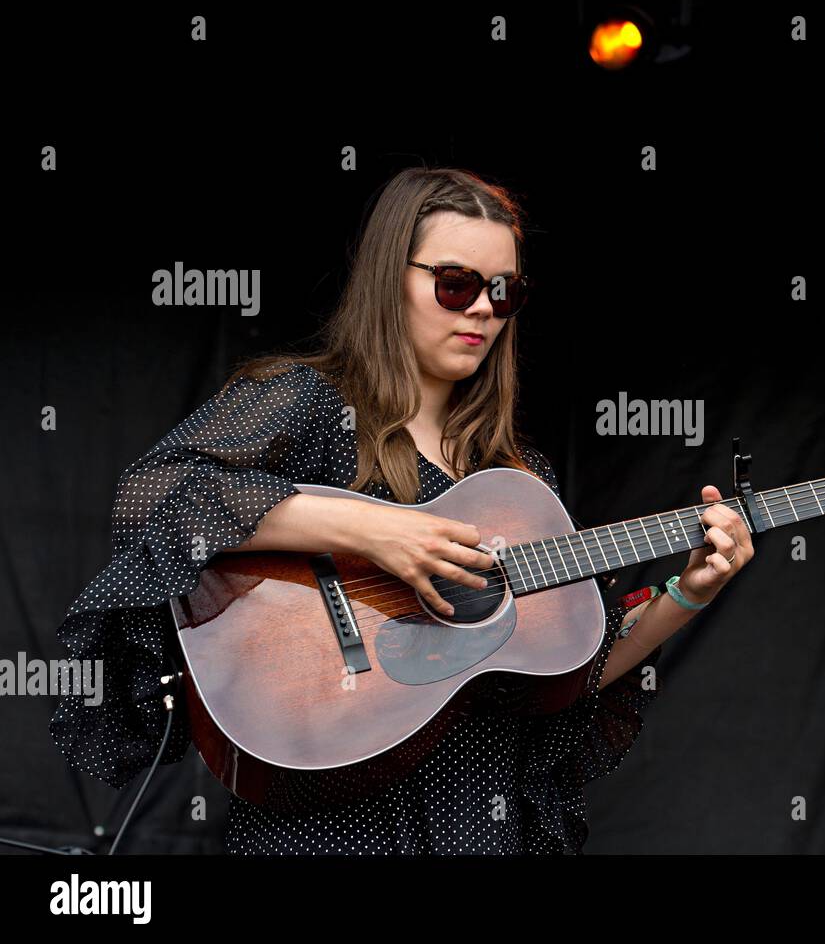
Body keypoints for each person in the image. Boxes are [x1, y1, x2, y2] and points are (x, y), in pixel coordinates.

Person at [49, 166, 754, 854]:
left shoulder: (517, 479)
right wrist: (378, 530)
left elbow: (574, 672)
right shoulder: (313, 406)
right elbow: (154, 498)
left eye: (503, 291)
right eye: (456, 283)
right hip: (329, 824)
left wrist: (688, 593)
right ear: (392, 277)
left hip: (479, 814)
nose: (482, 308)